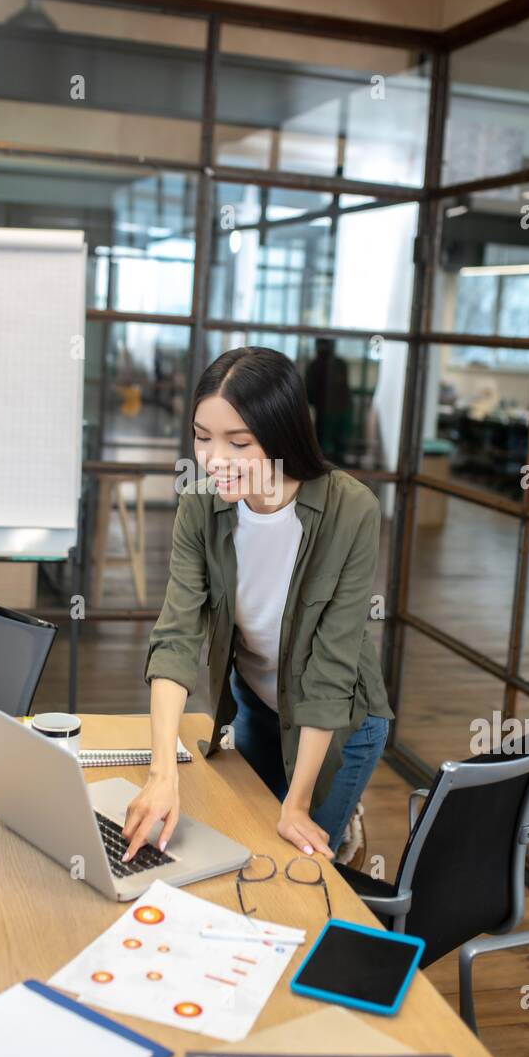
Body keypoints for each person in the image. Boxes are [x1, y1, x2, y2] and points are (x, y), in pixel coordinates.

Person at [123, 345, 394, 865]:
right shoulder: (200, 506)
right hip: (256, 708)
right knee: (242, 850)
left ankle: (341, 830)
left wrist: (297, 803)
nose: (214, 459)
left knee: (296, 865)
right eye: (202, 438)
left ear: (281, 435)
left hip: (339, 726)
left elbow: (331, 666)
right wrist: (162, 775)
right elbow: (177, 637)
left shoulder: (350, 510)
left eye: (238, 442)